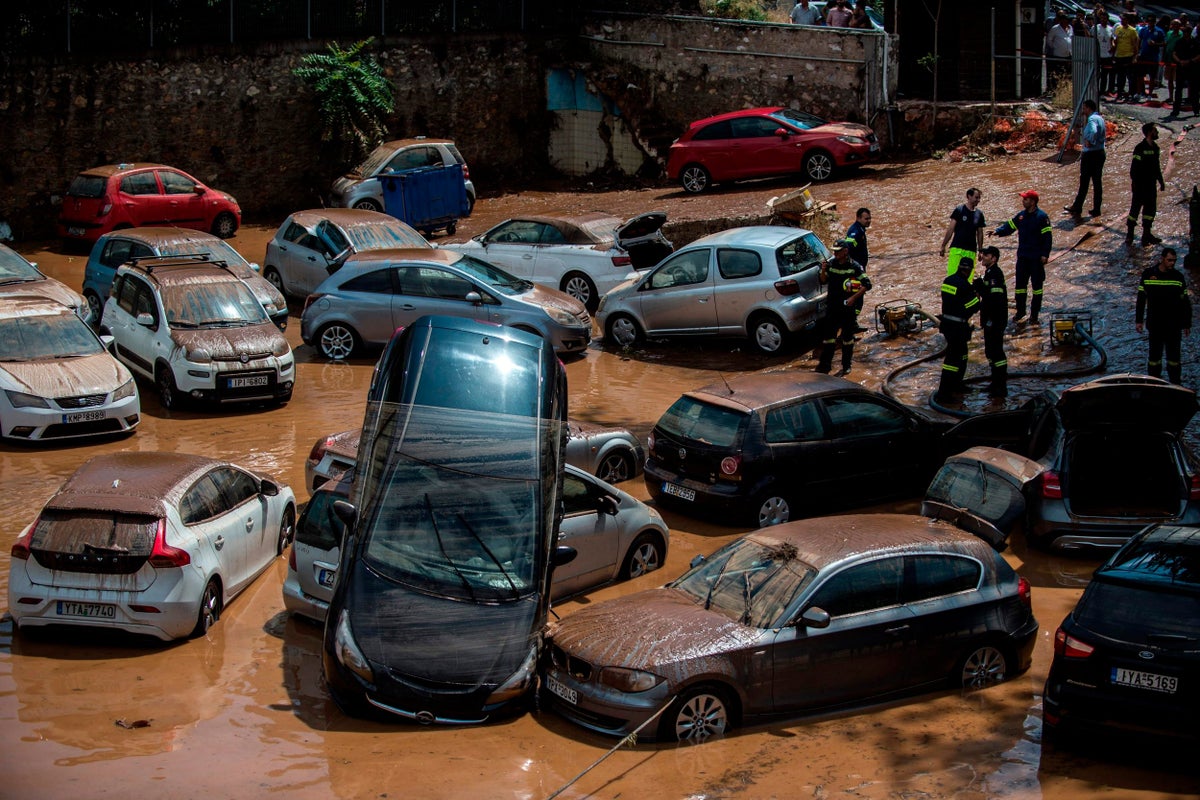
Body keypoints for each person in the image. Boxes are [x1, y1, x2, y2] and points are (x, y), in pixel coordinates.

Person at [988, 189, 1052, 325]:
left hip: (1036, 259)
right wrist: (997, 231)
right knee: (1020, 287)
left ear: (1033, 202)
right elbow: (1010, 226)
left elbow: (1048, 238)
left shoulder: (1042, 217)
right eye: (1023, 199)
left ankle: (1034, 316)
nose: (1023, 201)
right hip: (1023, 257)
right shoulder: (1021, 216)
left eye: (1026, 199)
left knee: (1037, 288)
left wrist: (1045, 255)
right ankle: (1020, 311)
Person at [815, 239, 871, 376]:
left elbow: (867, 284)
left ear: (845, 252)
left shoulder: (854, 267)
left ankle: (846, 366)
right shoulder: (831, 264)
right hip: (833, 307)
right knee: (829, 338)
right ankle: (824, 366)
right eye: (834, 251)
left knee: (847, 339)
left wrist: (853, 298)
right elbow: (823, 280)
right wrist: (823, 270)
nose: (835, 253)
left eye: (838, 251)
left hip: (847, 309)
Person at [1136, 247, 1191, 384]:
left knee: (1174, 359)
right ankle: (1154, 383)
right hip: (1155, 325)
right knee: (1154, 358)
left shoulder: (1178, 278)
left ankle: (1175, 384)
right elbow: (1141, 299)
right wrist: (1139, 321)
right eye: (1169, 260)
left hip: (1174, 325)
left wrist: (1186, 323)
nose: (1172, 263)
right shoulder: (1148, 275)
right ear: (1162, 259)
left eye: (1174, 261)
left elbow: (1185, 302)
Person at [934, 257, 980, 404]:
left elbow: (950, 301)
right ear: (969, 270)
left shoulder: (948, 281)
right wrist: (977, 293)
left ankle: (957, 385)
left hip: (947, 325)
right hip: (958, 327)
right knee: (953, 360)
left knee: (962, 355)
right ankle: (945, 393)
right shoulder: (966, 286)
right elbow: (974, 307)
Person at [972, 246, 1010, 398]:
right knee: (990, 352)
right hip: (990, 319)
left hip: (995, 320)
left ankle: (1000, 386)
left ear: (993, 258)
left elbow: (995, 299)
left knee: (996, 352)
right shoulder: (989, 273)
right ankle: (995, 383)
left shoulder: (995, 274)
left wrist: (981, 288)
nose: (983, 256)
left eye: (986, 255)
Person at [1065, 99, 1106, 217]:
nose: (1083, 111)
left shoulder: (1092, 119)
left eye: (1084, 108)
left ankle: (1077, 207)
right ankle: (1096, 209)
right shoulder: (1100, 118)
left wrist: (1089, 142)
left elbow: (1093, 131)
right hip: (1100, 153)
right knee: (1097, 183)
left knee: (1084, 182)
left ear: (1088, 108)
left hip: (1091, 155)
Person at [1127, 122, 1166, 246]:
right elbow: (1134, 169)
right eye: (1155, 130)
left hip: (1151, 186)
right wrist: (1135, 184)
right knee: (1135, 210)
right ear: (1149, 132)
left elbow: (1157, 167)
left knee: (1150, 211)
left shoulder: (1155, 148)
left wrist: (1161, 181)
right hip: (1140, 186)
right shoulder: (1140, 148)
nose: (1157, 133)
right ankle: (1130, 235)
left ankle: (1146, 235)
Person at [940, 187, 985, 275]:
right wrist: (943, 245)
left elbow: (980, 233)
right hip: (957, 248)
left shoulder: (979, 214)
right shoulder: (959, 210)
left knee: (968, 279)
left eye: (979, 198)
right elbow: (950, 229)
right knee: (952, 275)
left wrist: (980, 250)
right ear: (969, 196)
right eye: (976, 197)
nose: (978, 200)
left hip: (971, 250)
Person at [844, 207, 871, 328]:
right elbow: (848, 246)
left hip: (859, 268)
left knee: (858, 295)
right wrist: (854, 266)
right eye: (866, 218)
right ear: (858, 218)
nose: (869, 221)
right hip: (856, 271)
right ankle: (851, 323)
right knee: (858, 295)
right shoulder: (855, 231)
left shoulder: (860, 229)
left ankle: (852, 322)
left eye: (870, 218)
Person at [1113, 13, 1141, 101]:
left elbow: (1135, 44)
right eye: (1122, 20)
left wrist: (1134, 57)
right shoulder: (1118, 28)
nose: (1122, 21)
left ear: (1128, 20)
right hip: (1119, 55)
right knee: (1120, 77)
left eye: (1124, 20)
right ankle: (1120, 93)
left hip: (1128, 55)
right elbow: (1116, 41)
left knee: (1130, 76)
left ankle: (1132, 94)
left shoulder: (1132, 30)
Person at [1045, 11, 1074, 84]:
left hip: (1068, 55)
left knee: (1067, 74)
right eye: (1065, 20)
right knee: (1057, 74)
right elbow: (1049, 40)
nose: (1067, 22)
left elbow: (1071, 39)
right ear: (1061, 20)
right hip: (1058, 55)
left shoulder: (1070, 28)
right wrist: (1055, 47)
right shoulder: (1055, 28)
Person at [1094, 11, 1116, 96]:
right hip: (1098, 54)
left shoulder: (1110, 29)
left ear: (1107, 19)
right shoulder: (1095, 28)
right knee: (1096, 74)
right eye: (1101, 18)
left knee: (1105, 74)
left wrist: (1113, 47)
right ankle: (1095, 90)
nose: (1103, 20)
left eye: (1105, 18)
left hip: (1107, 55)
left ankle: (1103, 91)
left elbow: (1113, 39)